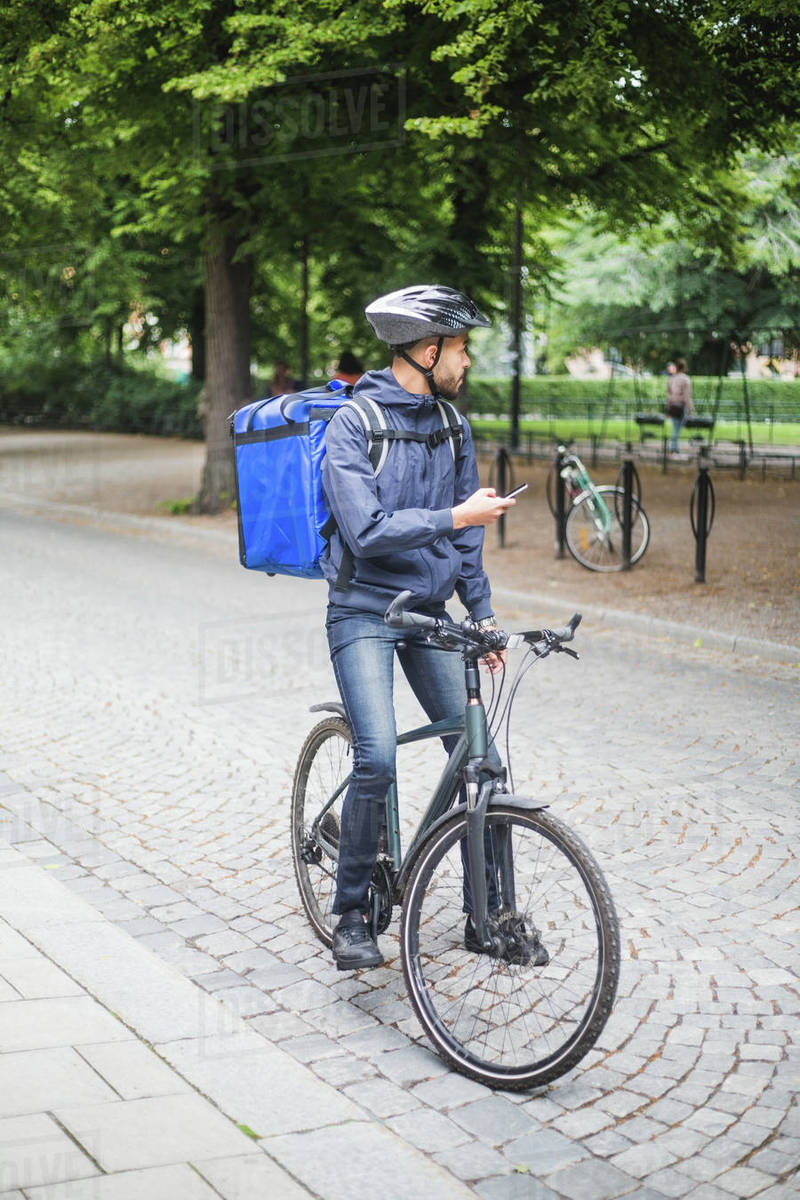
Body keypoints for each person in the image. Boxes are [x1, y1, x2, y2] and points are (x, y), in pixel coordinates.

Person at [320, 284, 515, 970]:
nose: (467, 362)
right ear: (427, 351)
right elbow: (367, 531)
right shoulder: (354, 425)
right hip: (364, 610)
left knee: (481, 758)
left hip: (428, 613)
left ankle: (486, 916)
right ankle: (350, 915)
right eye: (461, 349)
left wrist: (482, 613)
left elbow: (466, 543)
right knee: (377, 755)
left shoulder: (453, 426)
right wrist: (455, 517)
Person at [665, 357, 693, 452]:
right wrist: (690, 408)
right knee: (677, 428)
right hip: (681, 406)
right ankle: (673, 447)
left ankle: (673, 446)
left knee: (676, 427)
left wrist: (667, 407)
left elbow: (668, 395)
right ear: (684, 367)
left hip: (673, 405)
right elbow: (687, 396)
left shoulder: (671, 379)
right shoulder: (686, 379)